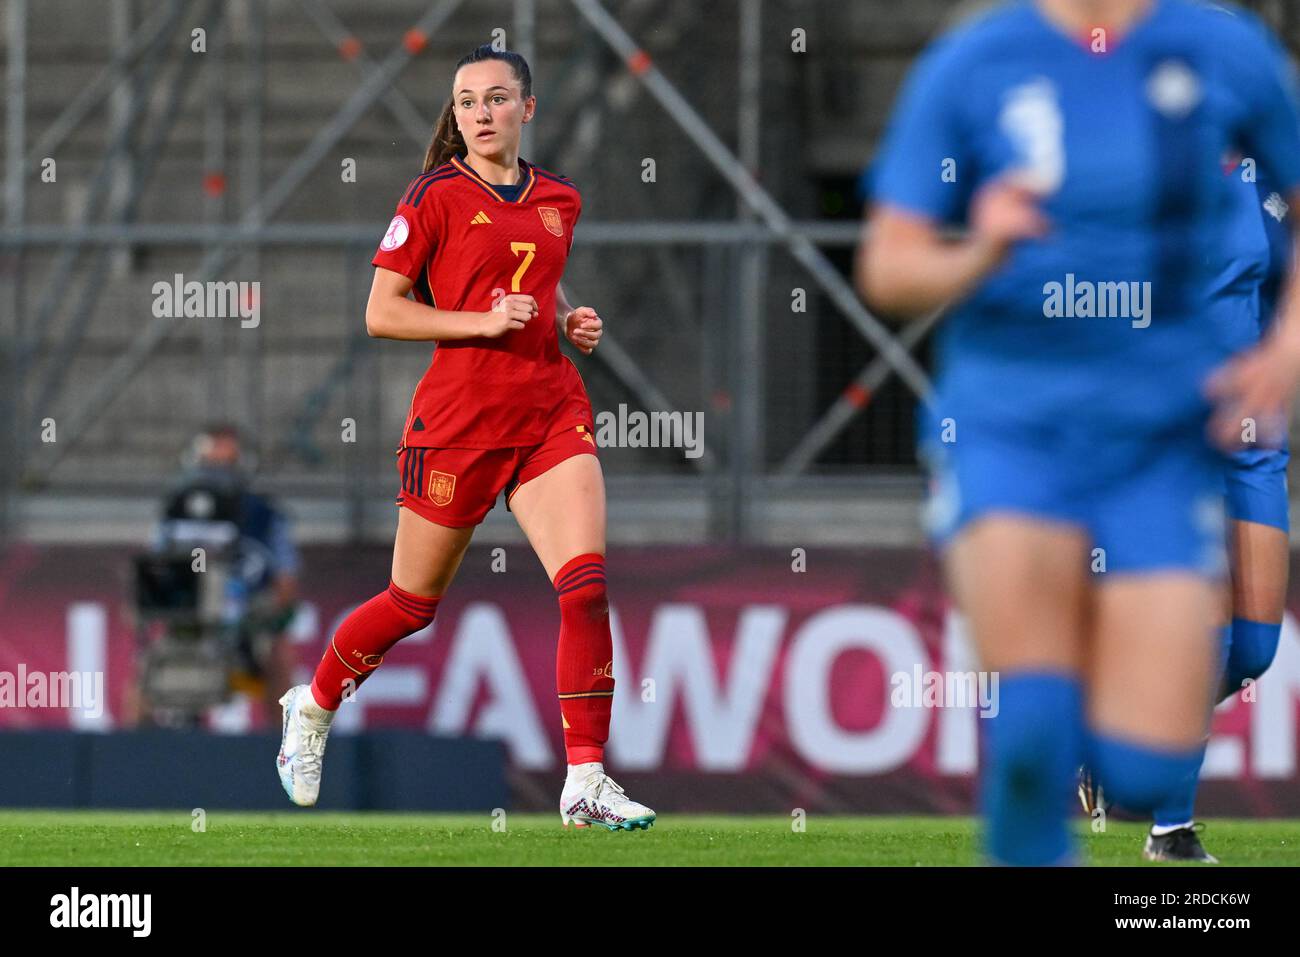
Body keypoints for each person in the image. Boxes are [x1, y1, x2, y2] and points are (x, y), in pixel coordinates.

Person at [857, 0, 1300, 864]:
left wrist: (1285, 350)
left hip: (1181, 433)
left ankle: (1124, 762)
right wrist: (978, 250)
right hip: (1015, 426)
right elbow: (888, 264)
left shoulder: (1225, 54)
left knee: (1173, 727)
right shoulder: (977, 61)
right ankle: (1132, 813)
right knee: (1031, 727)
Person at [275, 44, 654, 831]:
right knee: (412, 604)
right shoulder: (435, 196)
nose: (481, 113)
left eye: (496, 98)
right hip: (458, 427)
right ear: (455, 115)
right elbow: (383, 311)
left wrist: (566, 322)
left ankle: (585, 779)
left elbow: (527, 291)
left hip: (550, 412)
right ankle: (311, 708)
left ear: (528, 109)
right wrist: (483, 322)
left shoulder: (560, 198)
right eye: (467, 101)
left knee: (584, 587)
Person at [140, 423, 300, 726]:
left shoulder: (265, 515)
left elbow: (286, 580)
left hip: (246, 619)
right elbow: (152, 568)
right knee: (146, 670)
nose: (218, 472)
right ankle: (131, 749)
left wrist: (269, 614)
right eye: (212, 462)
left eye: (226, 463)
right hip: (187, 618)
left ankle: (289, 752)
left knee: (279, 657)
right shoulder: (174, 509)